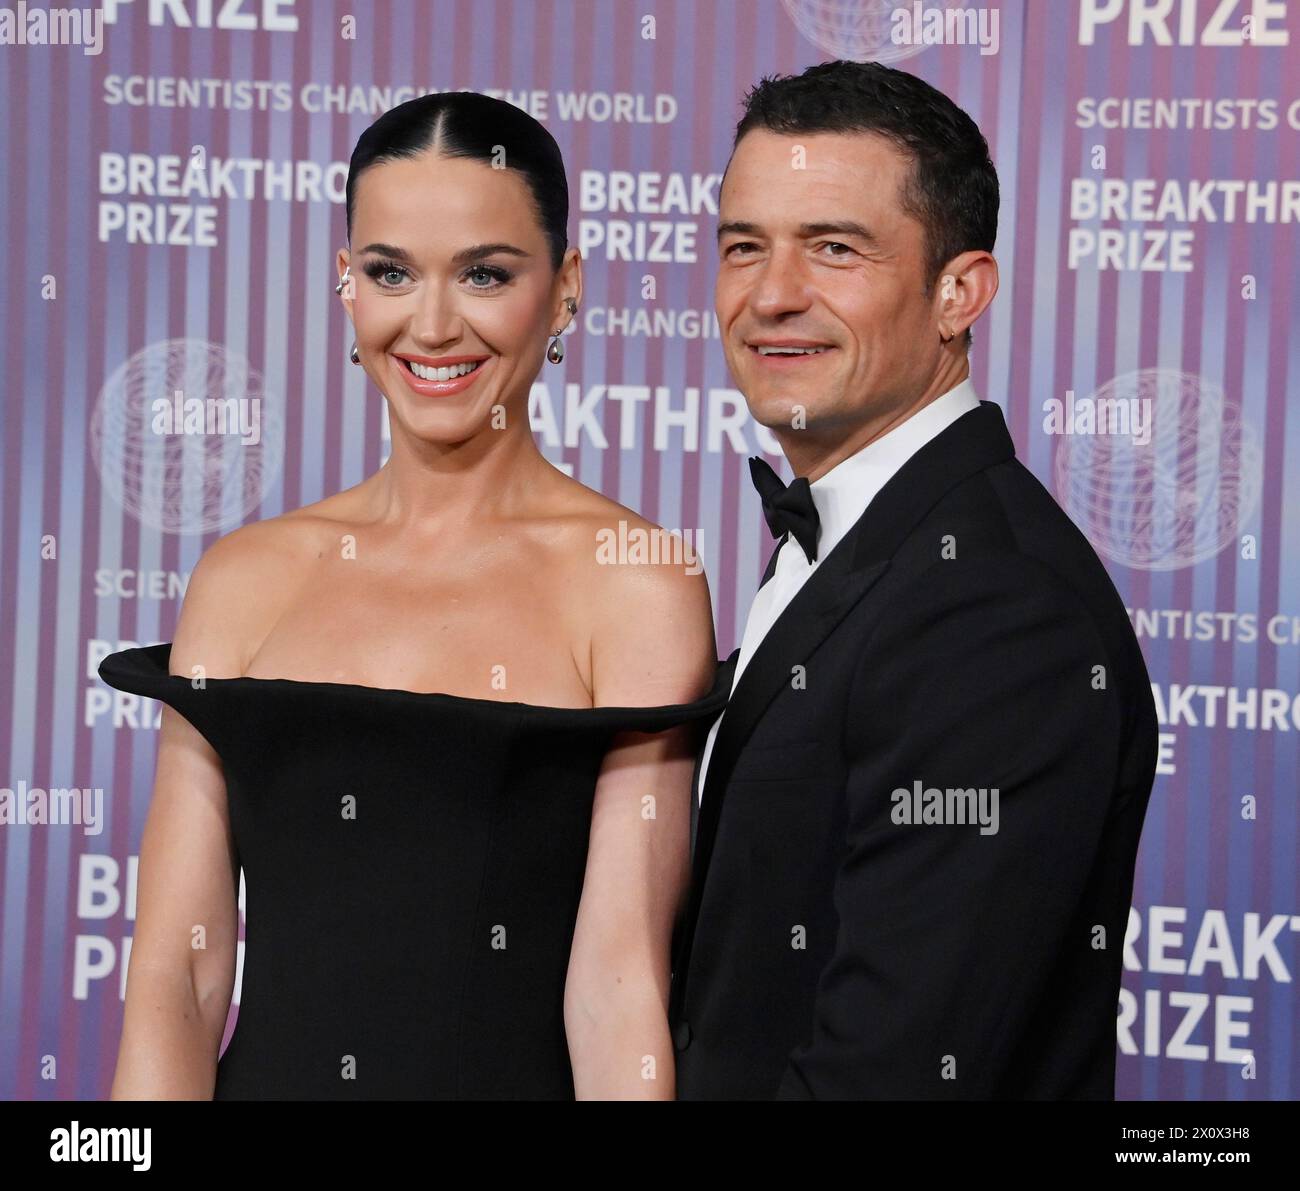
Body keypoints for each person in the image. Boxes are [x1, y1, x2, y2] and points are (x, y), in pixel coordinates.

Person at [99, 91, 727, 1100]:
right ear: (346, 285)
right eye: (391, 272)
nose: (433, 325)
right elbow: (177, 977)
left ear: (564, 290)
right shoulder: (244, 579)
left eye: (484, 274)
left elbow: (617, 988)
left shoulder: (634, 580)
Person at [668, 60, 1159, 1099]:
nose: (771, 296)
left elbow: (888, 1075)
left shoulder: (996, 611)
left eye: (834, 249)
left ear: (959, 292)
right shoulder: (867, 533)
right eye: (742, 247)